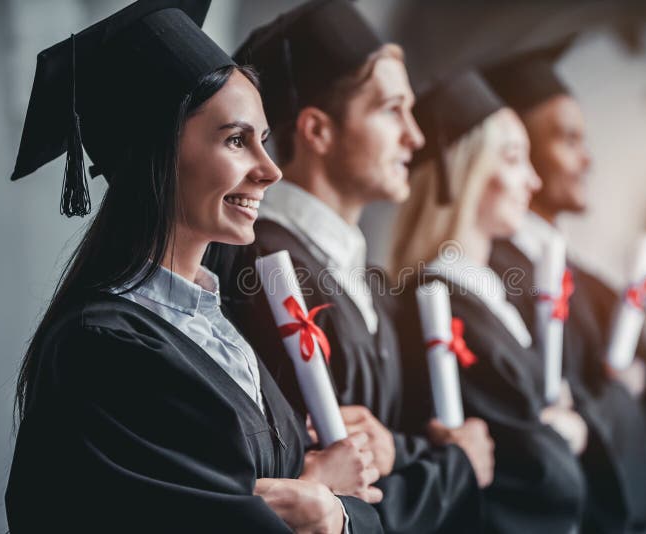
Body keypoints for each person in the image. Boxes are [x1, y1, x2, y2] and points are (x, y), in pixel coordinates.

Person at [5, 1, 382, 532]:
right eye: (236, 140)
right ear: (159, 151)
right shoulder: (102, 346)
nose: (270, 170)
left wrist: (316, 486)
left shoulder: (211, 325)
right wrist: (326, 504)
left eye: (264, 142)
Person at [204, 1, 492, 532]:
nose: (416, 135)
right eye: (390, 109)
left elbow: (373, 451)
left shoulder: (355, 272)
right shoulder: (264, 270)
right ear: (317, 131)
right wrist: (456, 468)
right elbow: (325, 493)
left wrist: (397, 448)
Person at [389, 68, 590, 534]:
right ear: (468, 171)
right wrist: (566, 432)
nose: (533, 181)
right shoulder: (435, 303)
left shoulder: (492, 290)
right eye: (515, 158)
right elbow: (533, 467)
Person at [483, 38, 646, 532]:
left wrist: (624, 389)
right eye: (568, 139)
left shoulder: (584, 280)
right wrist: (614, 398)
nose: (587, 159)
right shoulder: (496, 278)